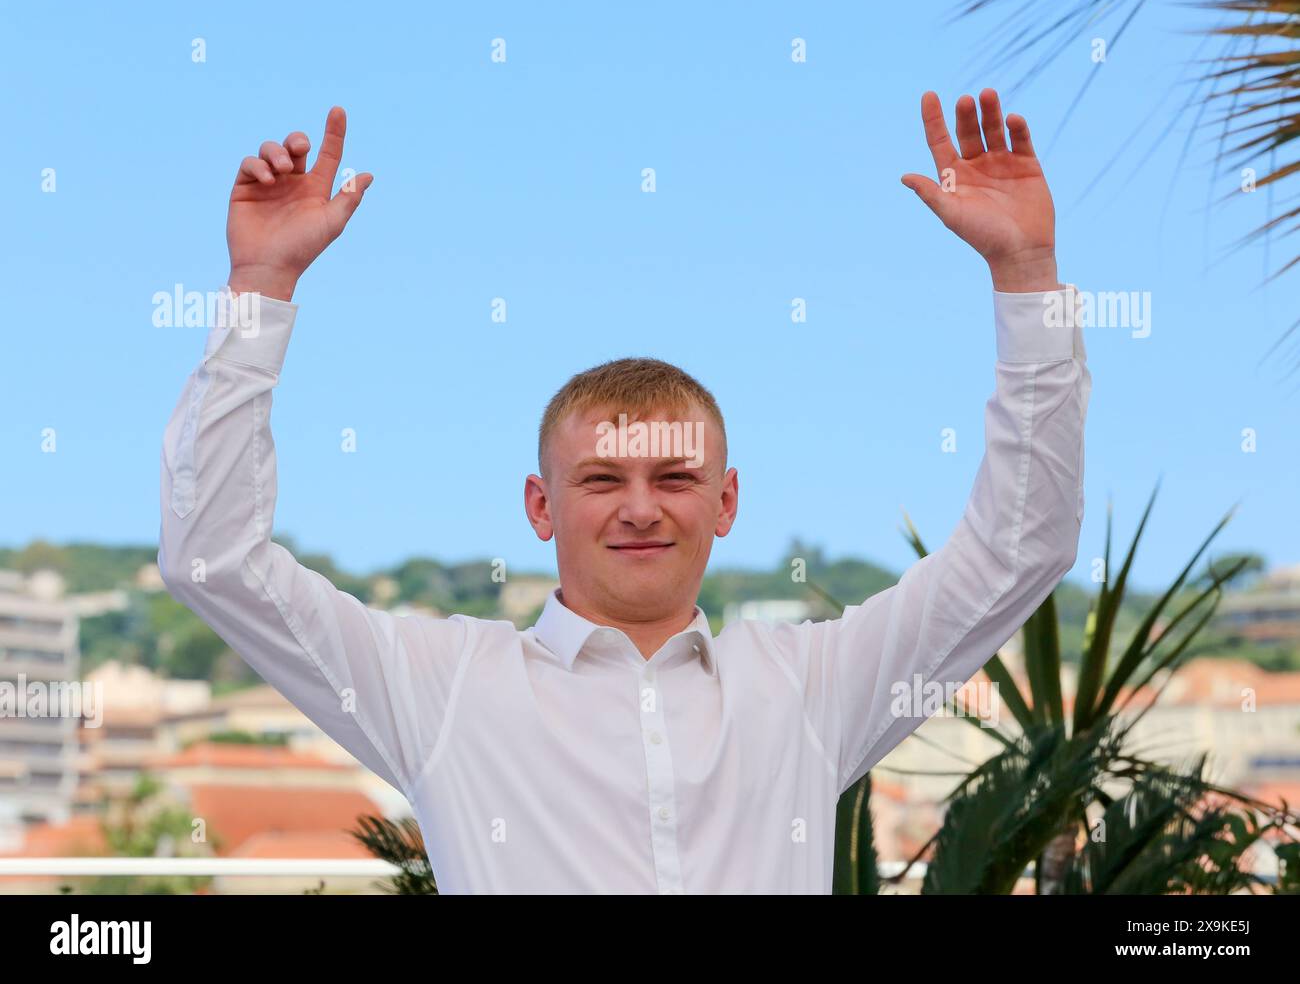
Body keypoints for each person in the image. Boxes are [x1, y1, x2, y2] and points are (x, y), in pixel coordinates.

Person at [159, 88, 1090, 894]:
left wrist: (1026, 277)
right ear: (539, 507)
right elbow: (217, 561)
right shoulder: (440, 689)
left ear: (726, 504)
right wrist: (260, 286)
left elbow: (1020, 550)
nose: (641, 508)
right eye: (602, 479)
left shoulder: (811, 688)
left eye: (675, 477)